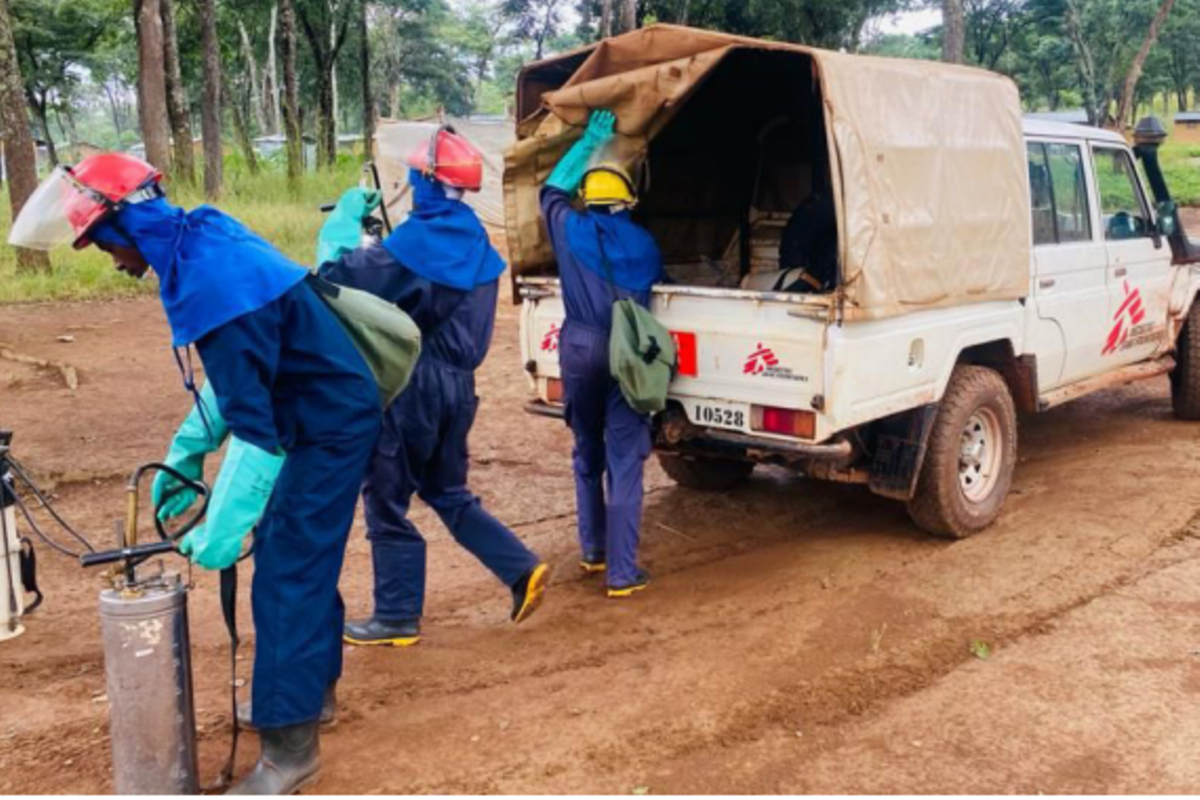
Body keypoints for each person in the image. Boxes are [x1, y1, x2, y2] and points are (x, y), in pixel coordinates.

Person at [8, 153, 382, 795]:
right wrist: (189, 447)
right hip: (315, 403)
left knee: (287, 569)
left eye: (102, 245)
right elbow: (249, 367)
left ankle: (291, 748)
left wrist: (225, 524)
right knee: (301, 557)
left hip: (329, 424)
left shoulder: (208, 282)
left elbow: (256, 430)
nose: (112, 262)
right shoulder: (200, 234)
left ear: (127, 225)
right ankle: (310, 695)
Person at [319, 127, 550, 647]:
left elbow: (339, 278)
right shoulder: (472, 240)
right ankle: (520, 569)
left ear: (425, 181)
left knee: (385, 496)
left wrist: (342, 229)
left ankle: (396, 616)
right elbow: (409, 274)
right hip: (460, 389)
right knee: (447, 491)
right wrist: (382, 243)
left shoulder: (414, 245)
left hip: (413, 386)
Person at [539, 109, 664, 598]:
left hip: (579, 347)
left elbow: (549, 191)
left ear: (587, 199)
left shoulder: (569, 229)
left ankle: (592, 552)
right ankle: (622, 573)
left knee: (586, 452)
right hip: (625, 355)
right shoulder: (648, 246)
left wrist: (591, 141)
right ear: (631, 201)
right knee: (625, 462)